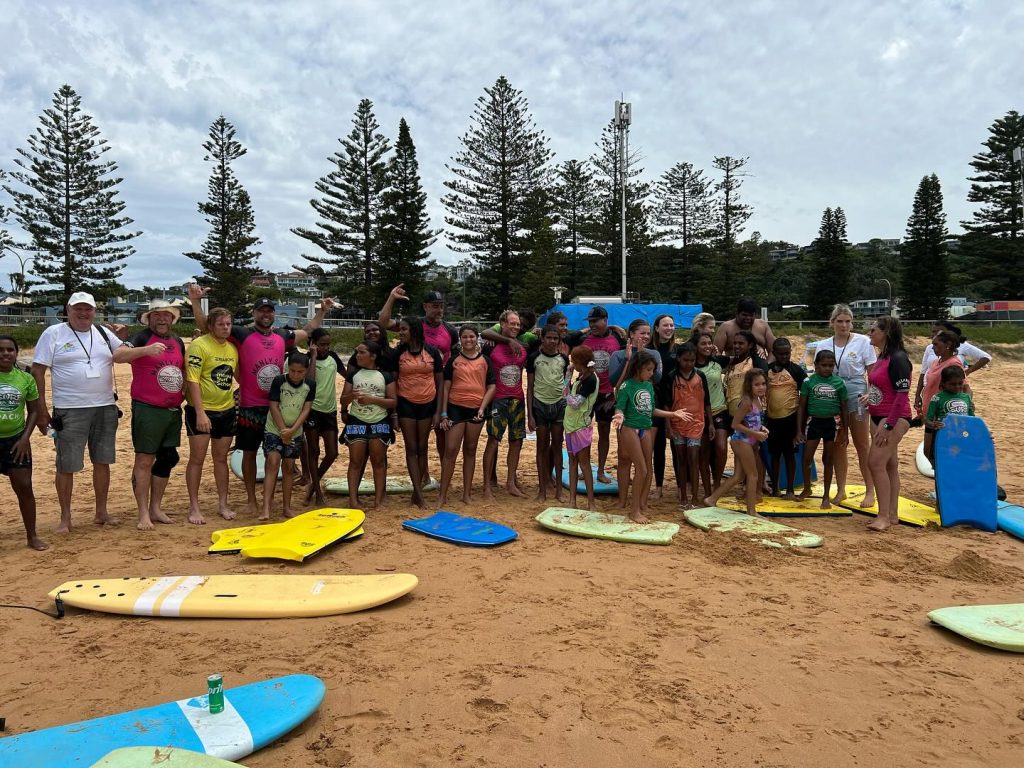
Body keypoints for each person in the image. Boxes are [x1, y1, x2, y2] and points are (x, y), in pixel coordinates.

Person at [189, 286, 335, 516]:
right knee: (248, 452)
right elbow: (207, 323)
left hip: (275, 406)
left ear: (273, 314)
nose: (266, 314)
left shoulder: (282, 336)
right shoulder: (241, 333)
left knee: (274, 455)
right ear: (255, 313)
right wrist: (196, 302)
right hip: (249, 405)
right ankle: (251, 500)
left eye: (269, 311)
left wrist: (322, 311)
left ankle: (270, 500)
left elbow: (307, 330)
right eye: (261, 311)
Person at [31, 291, 145, 533]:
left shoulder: (103, 333)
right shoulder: (53, 333)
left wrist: (127, 342)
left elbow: (122, 356)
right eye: (78, 309)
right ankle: (65, 517)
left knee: (102, 461)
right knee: (66, 465)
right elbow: (38, 371)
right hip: (70, 409)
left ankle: (101, 512)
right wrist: (41, 411)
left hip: (104, 406)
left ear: (95, 311)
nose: (83, 313)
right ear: (68, 309)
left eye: (88, 309)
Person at [379, 285, 460, 482]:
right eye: (434, 306)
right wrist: (392, 298)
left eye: (441, 306)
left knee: (442, 432)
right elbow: (383, 322)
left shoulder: (449, 330)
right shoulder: (414, 325)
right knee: (416, 443)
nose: (438, 310)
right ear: (425, 306)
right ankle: (422, 476)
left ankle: (443, 475)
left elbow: (456, 360)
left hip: (437, 387)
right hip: (412, 389)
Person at [126, 299, 187, 530]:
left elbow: (182, 369)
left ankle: (156, 508)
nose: (162, 319)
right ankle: (143, 513)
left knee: (168, 458)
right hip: (147, 408)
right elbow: (119, 355)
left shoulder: (177, 341)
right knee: (144, 459)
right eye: (157, 315)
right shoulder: (141, 337)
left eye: (167, 316)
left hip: (172, 410)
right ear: (149, 318)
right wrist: (145, 350)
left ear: (172, 319)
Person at [611, 349, 691, 523]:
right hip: (630, 428)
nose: (651, 373)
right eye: (648, 369)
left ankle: (641, 504)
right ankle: (634, 511)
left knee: (648, 467)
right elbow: (620, 407)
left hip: (645, 428)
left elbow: (651, 410)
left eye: (653, 370)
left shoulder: (648, 385)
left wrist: (673, 414)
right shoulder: (627, 386)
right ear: (638, 368)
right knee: (641, 468)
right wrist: (619, 415)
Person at [812, 305, 877, 506]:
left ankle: (870, 491)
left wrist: (870, 394)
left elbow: (872, 372)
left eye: (847, 321)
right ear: (832, 322)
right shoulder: (823, 344)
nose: (844, 325)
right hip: (831, 393)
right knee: (839, 442)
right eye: (839, 321)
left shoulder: (863, 341)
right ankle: (841, 490)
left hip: (856, 391)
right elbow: (817, 373)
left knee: (861, 444)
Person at [183, 307, 238, 525]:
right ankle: (194, 506)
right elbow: (192, 380)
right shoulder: (199, 345)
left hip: (225, 409)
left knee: (221, 459)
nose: (225, 328)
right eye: (220, 324)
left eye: (228, 324)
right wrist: (199, 412)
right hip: (202, 411)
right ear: (210, 325)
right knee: (197, 459)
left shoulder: (232, 349)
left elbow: (236, 376)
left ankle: (223, 503)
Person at [566, 306, 625, 485]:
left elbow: (625, 362)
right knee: (583, 432)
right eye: (590, 322)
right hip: (587, 391)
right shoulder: (584, 338)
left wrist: (617, 391)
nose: (592, 325)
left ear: (605, 320)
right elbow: (568, 338)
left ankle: (600, 470)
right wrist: (587, 329)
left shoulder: (617, 338)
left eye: (595, 321)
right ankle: (584, 467)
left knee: (604, 432)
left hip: (607, 394)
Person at [865, 316, 914, 532]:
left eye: (874, 329)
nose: (870, 333)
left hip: (893, 418)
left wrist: (888, 425)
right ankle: (892, 513)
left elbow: (902, 395)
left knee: (875, 463)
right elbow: (885, 389)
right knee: (889, 465)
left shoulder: (898, 358)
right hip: (878, 415)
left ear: (886, 333)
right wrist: (869, 398)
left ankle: (883, 516)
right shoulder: (883, 357)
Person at [438, 325, 495, 506]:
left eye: (471, 336)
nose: (468, 340)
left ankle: (467, 494)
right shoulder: (454, 360)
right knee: (451, 451)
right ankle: (442, 495)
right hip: (455, 408)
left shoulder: (485, 360)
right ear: (460, 340)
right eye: (465, 337)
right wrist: (444, 413)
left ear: (476, 338)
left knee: (470, 450)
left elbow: (491, 386)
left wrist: (482, 408)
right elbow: (445, 388)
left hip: (476, 410)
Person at [0, 335, 47, 549]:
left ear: (16, 353)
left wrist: (25, 438)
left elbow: (34, 410)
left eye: (10, 350)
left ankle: (32, 536)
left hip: (16, 441)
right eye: (1, 350)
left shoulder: (25, 378)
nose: (5, 353)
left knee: (25, 487)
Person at [705, 369, 770, 517]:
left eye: (763, 384)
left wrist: (761, 428)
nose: (761, 387)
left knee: (738, 476)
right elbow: (735, 424)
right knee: (753, 475)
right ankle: (751, 510)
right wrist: (756, 434)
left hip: (747, 440)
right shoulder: (747, 402)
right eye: (757, 384)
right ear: (749, 386)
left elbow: (752, 421)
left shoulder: (758, 399)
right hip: (742, 441)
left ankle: (711, 499)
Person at [394, 317, 444, 508]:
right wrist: (394, 414)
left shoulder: (431, 352)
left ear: (413, 330)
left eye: (404, 329)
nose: (400, 333)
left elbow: (440, 383)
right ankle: (417, 491)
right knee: (411, 448)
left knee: (423, 448)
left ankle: (419, 488)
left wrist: (439, 411)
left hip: (427, 404)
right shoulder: (399, 352)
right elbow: (394, 382)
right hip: (406, 404)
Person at [341, 341, 397, 510]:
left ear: (373, 356)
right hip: (357, 420)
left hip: (379, 422)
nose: (358, 355)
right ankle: (353, 500)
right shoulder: (353, 375)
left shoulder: (386, 376)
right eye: (357, 352)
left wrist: (373, 400)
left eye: (362, 352)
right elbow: (343, 401)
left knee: (378, 462)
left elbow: (393, 401)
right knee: (355, 462)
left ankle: (378, 500)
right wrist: (351, 396)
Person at [262, 352, 315, 521]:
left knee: (289, 467)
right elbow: (273, 405)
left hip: (295, 431)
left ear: (306, 371)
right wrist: (283, 429)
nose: (295, 375)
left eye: (300, 372)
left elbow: (306, 409)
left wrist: (292, 430)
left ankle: (287, 507)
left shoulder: (310, 385)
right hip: (274, 428)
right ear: (288, 368)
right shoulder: (279, 381)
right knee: (272, 462)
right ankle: (266, 508)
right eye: (292, 371)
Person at [483, 310, 528, 499]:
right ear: (502, 323)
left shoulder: (524, 346)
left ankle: (510, 482)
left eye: (518, 324)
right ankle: (487, 485)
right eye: (512, 323)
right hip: (497, 400)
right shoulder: (490, 346)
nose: (515, 327)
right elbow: (483, 333)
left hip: (517, 399)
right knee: (493, 440)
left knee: (516, 441)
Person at [796, 349, 848, 510]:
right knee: (806, 458)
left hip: (831, 424)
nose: (827, 368)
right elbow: (802, 407)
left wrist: (845, 431)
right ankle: (807, 487)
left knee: (828, 460)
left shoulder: (839, 383)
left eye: (830, 365)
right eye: (823, 365)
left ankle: (826, 496)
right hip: (813, 423)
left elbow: (844, 408)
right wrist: (798, 430)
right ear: (816, 365)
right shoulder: (808, 382)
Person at [526, 324, 569, 501]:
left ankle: (558, 489)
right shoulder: (534, 358)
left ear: (559, 341)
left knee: (558, 446)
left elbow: (566, 385)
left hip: (559, 405)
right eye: (549, 338)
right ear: (542, 339)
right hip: (539, 405)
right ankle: (542, 490)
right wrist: (530, 414)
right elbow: (529, 387)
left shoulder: (564, 359)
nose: (552, 341)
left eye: (555, 338)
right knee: (541, 447)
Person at [668, 342, 713, 508]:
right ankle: (683, 497)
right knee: (681, 460)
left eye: (692, 360)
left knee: (694, 459)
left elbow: (707, 401)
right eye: (686, 360)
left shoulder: (700, 376)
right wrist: (668, 427)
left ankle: (694, 497)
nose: (689, 363)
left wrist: (711, 424)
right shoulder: (672, 376)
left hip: (697, 423)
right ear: (679, 359)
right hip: (677, 424)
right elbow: (667, 404)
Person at [302, 328, 345, 504]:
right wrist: (312, 356)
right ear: (313, 343)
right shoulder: (305, 359)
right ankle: (318, 493)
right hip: (311, 410)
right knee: (314, 451)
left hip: (329, 411)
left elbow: (348, 375)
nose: (325, 348)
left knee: (332, 452)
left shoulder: (333, 357)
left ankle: (313, 485)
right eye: (321, 345)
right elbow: (310, 381)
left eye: (328, 344)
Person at [914, 320, 991, 414]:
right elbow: (923, 372)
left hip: (943, 409)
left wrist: (967, 372)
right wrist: (918, 395)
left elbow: (965, 387)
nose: (934, 334)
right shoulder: (934, 358)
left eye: (938, 332)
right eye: (933, 331)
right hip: (930, 402)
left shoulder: (955, 359)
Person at [765, 338, 806, 500]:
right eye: (780, 354)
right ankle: (775, 488)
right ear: (774, 353)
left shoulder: (796, 371)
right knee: (774, 455)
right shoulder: (766, 371)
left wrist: (801, 427)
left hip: (791, 419)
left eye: (787, 353)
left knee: (789, 455)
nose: (784, 356)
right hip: (772, 420)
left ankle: (790, 489)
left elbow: (806, 395)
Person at [564, 346, 599, 511]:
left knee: (584, 464)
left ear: (580, 362)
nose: (572, 364)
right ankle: (572, 500)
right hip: (571, 424)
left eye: (573, 362)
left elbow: (576, 403)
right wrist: (569, 376)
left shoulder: (591, 379)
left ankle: (591, 502)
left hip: (581, 426)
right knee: (572, 462)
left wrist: (565, 392)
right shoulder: (582, 376)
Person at [649, 314, 680, 501]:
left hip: (675, 401)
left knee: (677, 446)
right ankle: (659, 486)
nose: (669, 328)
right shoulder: (650, 350)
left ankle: (679, 486)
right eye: (665, 325)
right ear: (657, 328)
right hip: (655, 401)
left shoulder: (678, 349)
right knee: (658, 446)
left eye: (671, 325)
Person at [695, 331, 731, 490]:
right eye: (703, 343)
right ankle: (707, 489)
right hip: (699, 414)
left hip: (720, 411)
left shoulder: (718, 362)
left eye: (709, 343)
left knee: (721, 448)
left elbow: (740, 359)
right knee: (704, 453)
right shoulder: (690, 366)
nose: (707, 346)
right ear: (695, 346)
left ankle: (717, 483)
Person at [924, 366, 974, 466]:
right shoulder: (937, 398)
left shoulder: (966, 398)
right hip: (943, 437)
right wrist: (933, 425)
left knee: (961, 464)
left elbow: (971, 420)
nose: (957, 386)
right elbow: (927, 419)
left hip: (962, 437)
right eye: (952, 384)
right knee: (941, 466)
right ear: (943, 383)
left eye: (960, 383)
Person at [918, 330, 970, 424]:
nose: (933, 348)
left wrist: (966, 405)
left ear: (948, 345)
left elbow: (966, 388)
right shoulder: (936, 362)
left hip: (943, 415)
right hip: (931, 411)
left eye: (936, 344)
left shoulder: (953, 363)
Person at [724, 330, 770, 420]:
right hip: (733, 413)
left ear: (750, 345)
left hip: (751, 414)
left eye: (741, 343)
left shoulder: (757, 362)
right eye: (735, 343)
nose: (736, 346)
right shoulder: (732, 363)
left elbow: (763, 387)